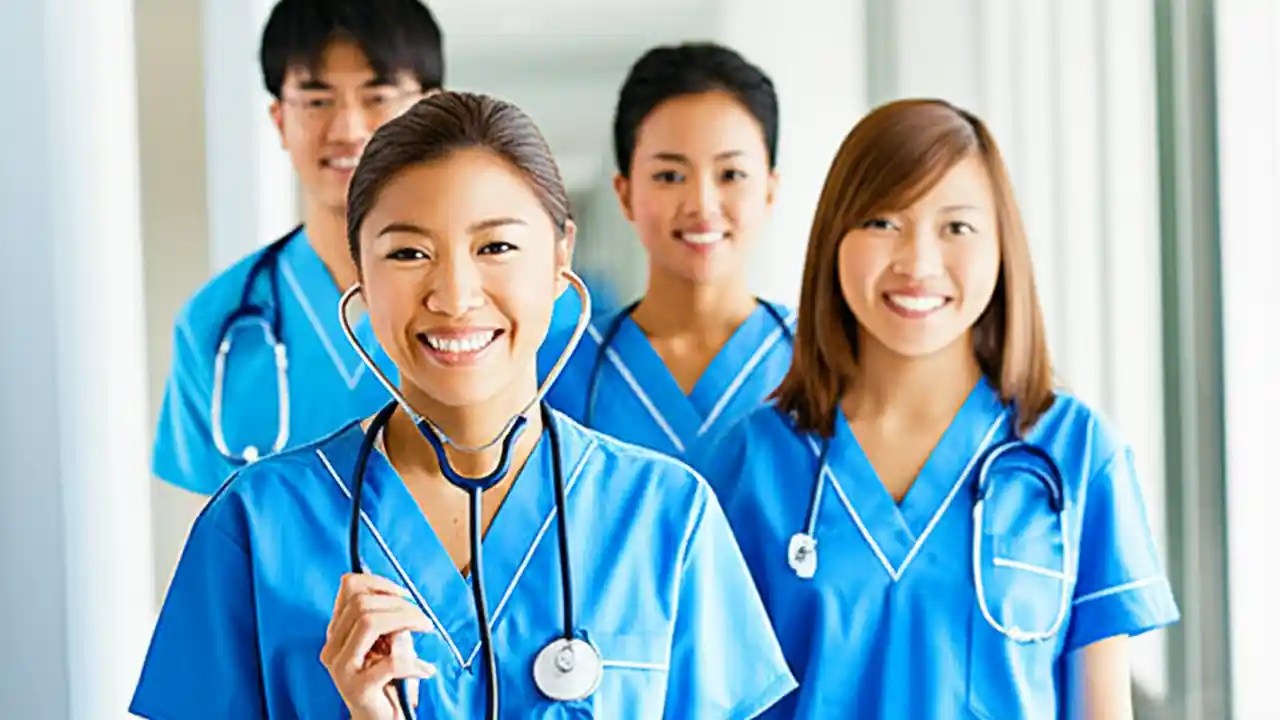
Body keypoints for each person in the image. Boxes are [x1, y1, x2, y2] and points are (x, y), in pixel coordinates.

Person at [130, 92, 796, 719]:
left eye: (496, 247)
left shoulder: (666, 517)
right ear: (360, 270)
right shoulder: (258, 525)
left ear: (561, 255)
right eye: (409, 252)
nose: (453, 295)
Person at [691, 99, 1180, 719]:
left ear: (1003, 249)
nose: (918, 264)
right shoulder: (749, 463)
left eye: (957, 228)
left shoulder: (1077, 453)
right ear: (833, 239)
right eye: (882, 223)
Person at [151, 0, 444, 494]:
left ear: (431, 112)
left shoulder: (512, 311)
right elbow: (209, 545)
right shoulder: (214, 323)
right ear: (279, 119)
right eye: (316, 100)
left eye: (378, 96)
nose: (349, 130)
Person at [541, 42, 794, 461]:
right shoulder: (557, 368)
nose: (702, 205)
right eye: (670, 175)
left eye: (731, 174)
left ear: (769, 190)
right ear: (625, 194)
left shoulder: (828, 363)